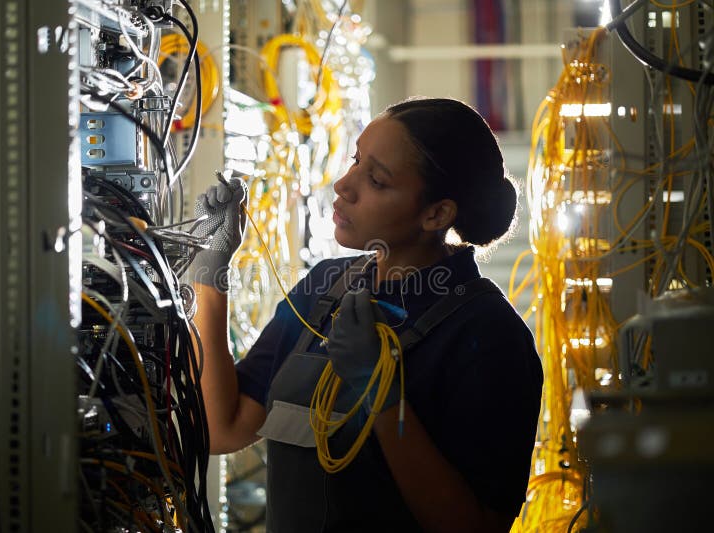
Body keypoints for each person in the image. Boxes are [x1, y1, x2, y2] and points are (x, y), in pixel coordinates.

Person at [188, 97, 543, 532]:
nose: (344, 185)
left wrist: (383, 396)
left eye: (376, 179)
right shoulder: (324, 288)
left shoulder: (487, 333)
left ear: (436, 213)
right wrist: (210, 268)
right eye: (356, 160)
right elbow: (223, 428)